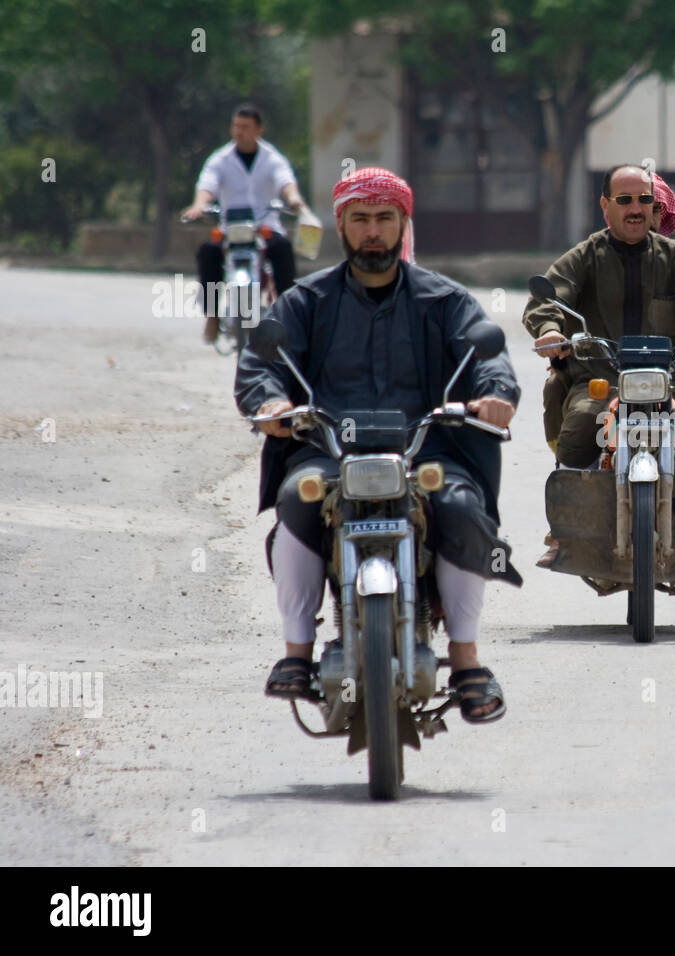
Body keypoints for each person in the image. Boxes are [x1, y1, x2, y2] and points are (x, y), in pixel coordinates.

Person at [233, 166, 521, 723]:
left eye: (384, 218)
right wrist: (268, 404)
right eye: (360, 219)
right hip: (326, 448)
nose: (372, 231)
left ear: (402, 223)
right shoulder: (305, 301)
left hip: (428, 448)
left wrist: (495, 396)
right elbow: (260, 363)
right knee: (298, 499)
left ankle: (465, 661)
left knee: (462, 509)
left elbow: (489, 358)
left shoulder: (445, 299)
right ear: (341, 225)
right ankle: (295, 652)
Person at [525, 163, 675, 472]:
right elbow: (550, 298)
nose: (636, 208)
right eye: (625, 200)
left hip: (674, 380)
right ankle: (576, 501)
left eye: (644, 200)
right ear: (606, 205)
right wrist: (550, 330)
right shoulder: (583, 257)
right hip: (601, 379)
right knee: (576, 445)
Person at [182, 104, 314, 344]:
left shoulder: (272, 158)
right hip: (229, 228)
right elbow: (207, 185)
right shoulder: (220, 159)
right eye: (235, 126)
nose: (238, 132)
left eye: (245, 127)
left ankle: (287, 316)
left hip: (265, 226)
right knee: (208, 253)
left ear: (259, 130)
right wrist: (199, 205)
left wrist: (294, 200)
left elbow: (285, 182)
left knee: (283, 249)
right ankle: (212, 316)